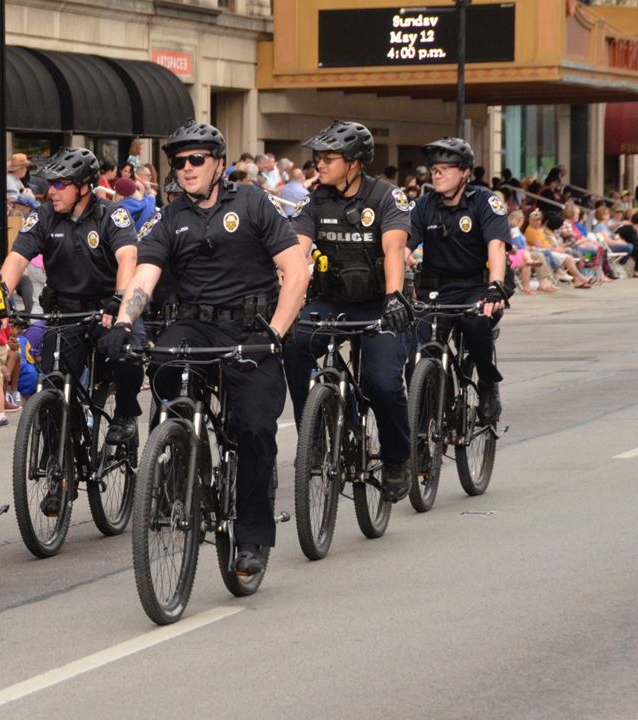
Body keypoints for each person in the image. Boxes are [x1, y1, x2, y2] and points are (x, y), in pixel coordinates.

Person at [100, 120, 308, 576]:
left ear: (218, 163)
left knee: (254, 428)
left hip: (252, 330)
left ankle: (252, 535)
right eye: (179, 161)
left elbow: (296, 270)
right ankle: (177, 465)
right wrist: (123, 321)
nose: (187, 168)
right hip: (193, 326)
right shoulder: (169, 216)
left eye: (197, 159)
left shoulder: (253, 202)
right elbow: (147, 273)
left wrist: (274, 332)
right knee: (163, 370)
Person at [0, 146, 144, 514]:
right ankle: (57, 473)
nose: (52, 191)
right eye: (51, 184)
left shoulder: (112, 214)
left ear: (85, 187)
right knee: (52, 389)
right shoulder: (44, 216)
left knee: (128, 353)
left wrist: (121, 300)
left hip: (108, 309)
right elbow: (16, 259)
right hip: (65, 314)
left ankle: (125, 416)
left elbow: (128, 256)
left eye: (61, 184)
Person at [284, 120, 414, 502]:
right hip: (332, 301)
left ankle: (395, 459)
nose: (319, 165)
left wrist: (394, 298)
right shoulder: (314, 200)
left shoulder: (387, 198)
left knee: (385, 384)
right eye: (317, 158)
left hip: (380, 304)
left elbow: (393, 249)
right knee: (294, 344)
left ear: (354, 163)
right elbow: (298, 248)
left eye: (328, 158)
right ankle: (318, 431)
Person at [410, 137, 511, 425]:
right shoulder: (423, 206)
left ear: (465, 171)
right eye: (434, 168)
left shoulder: (484, 201)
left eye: (446, 168)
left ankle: (488, 383)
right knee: (414, 340)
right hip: (435, 290)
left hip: (476, 288)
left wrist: (495, 288)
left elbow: (497, 246)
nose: (437, 174)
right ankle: (430, 404)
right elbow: (403, 246)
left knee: (476, 321)